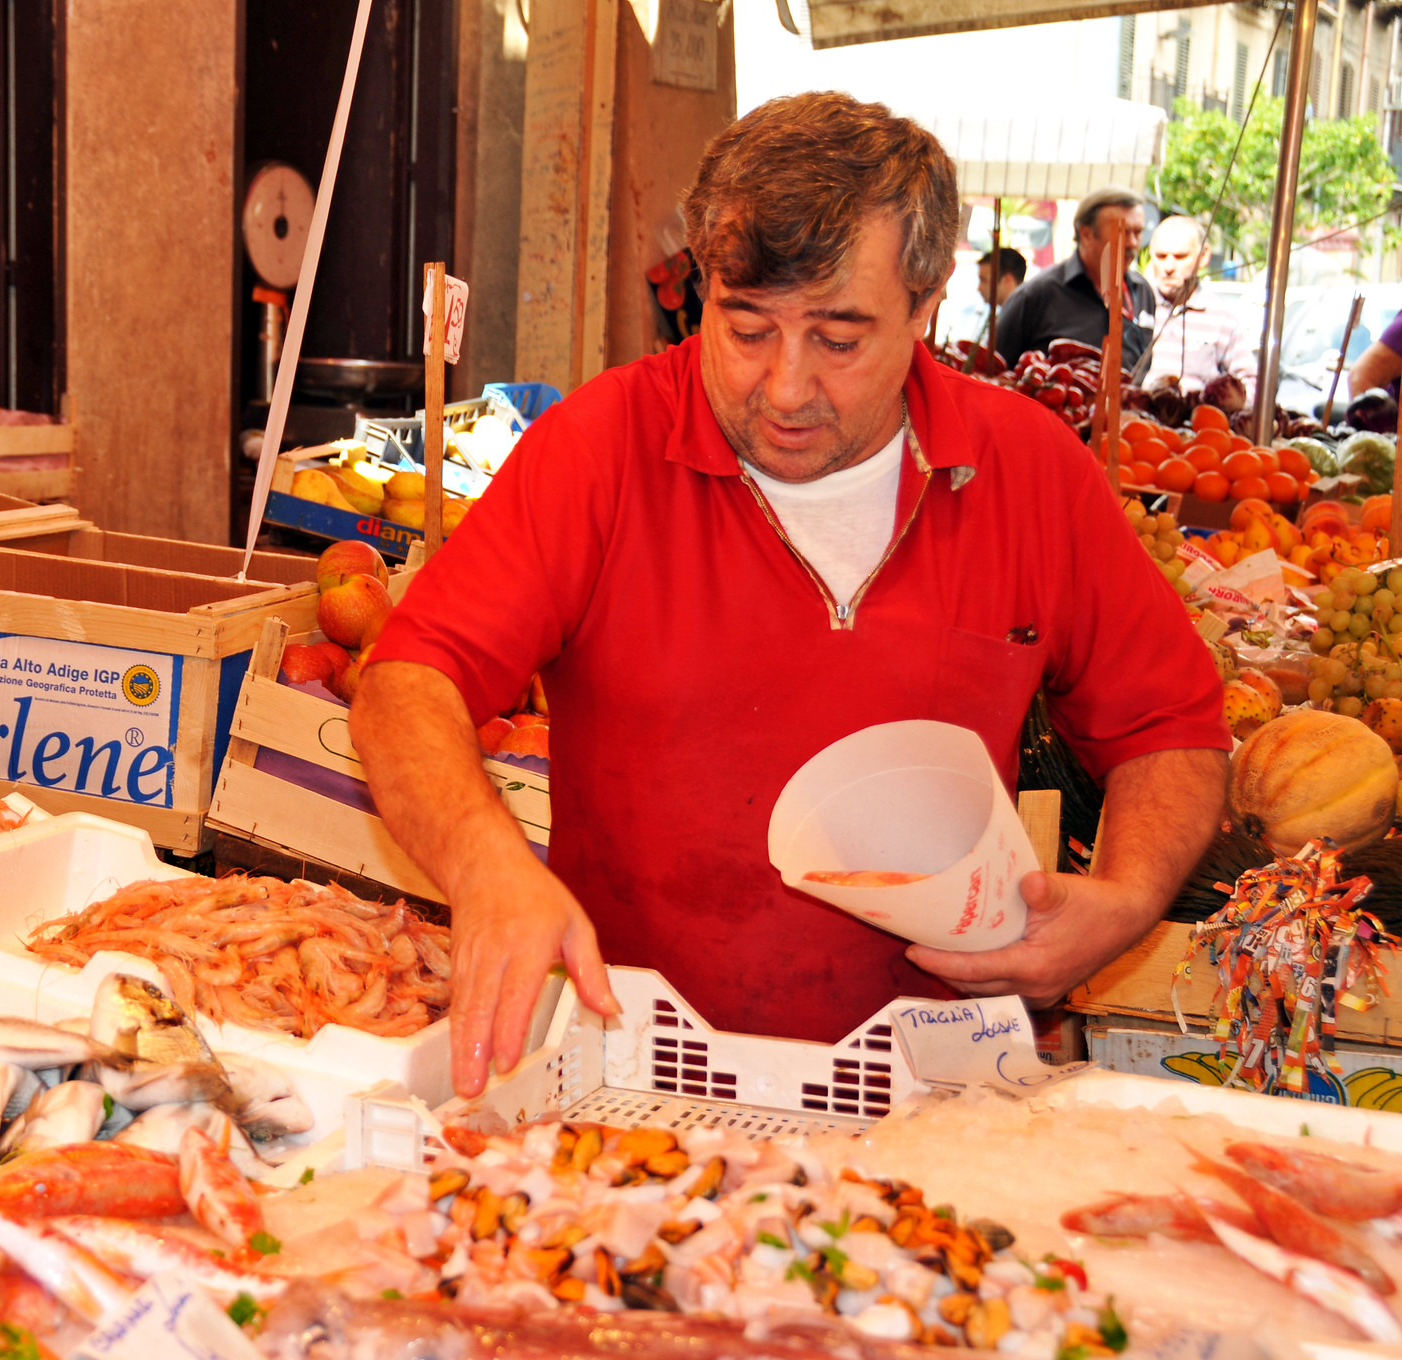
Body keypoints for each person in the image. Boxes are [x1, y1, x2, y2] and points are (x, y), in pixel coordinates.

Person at [348, 93, 1230, 1099]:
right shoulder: (600, 449)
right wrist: (482, 862)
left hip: (932, 1091)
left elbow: (1170, 723)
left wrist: (1124, 894)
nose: (783, 387)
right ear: (701, 291)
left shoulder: (1026, 471)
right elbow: (406, 681)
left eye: (838, 338)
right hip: (635, 1073)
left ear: (924, 303)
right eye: (746, 327)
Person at [993, 188, 1155, 369]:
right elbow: (994, 372)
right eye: (1122, 232)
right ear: (1086, 234)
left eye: (1138, 232)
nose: (1132, 243)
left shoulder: (1142, 292)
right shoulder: (1036, 294)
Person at [1140, 216, 1256, 392]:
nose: (1169, 267)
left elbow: (1250, 384)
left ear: (1204, 256)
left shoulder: (1223, 318)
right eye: (1161, 256)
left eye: (1180, 257)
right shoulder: (1137, 306)